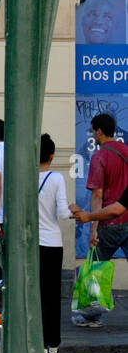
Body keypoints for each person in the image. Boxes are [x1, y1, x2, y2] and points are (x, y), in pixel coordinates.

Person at [73, 114, 128, 328]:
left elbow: (97, 195)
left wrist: (93, 229)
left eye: (92, 130)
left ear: (99, 132)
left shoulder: (99, 157)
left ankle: (92, 316)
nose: (92, 134)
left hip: (109, 222)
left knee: (95, 268)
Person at [37, 134, 71, 353]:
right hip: (52, 243)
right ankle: (53, 348)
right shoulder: (56, 178)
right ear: (52, 156)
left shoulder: (25, 178)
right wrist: (74, 210)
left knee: (34, 296)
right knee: (52, 296)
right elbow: (63, 213)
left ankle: (36, 345)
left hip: (31, 245)